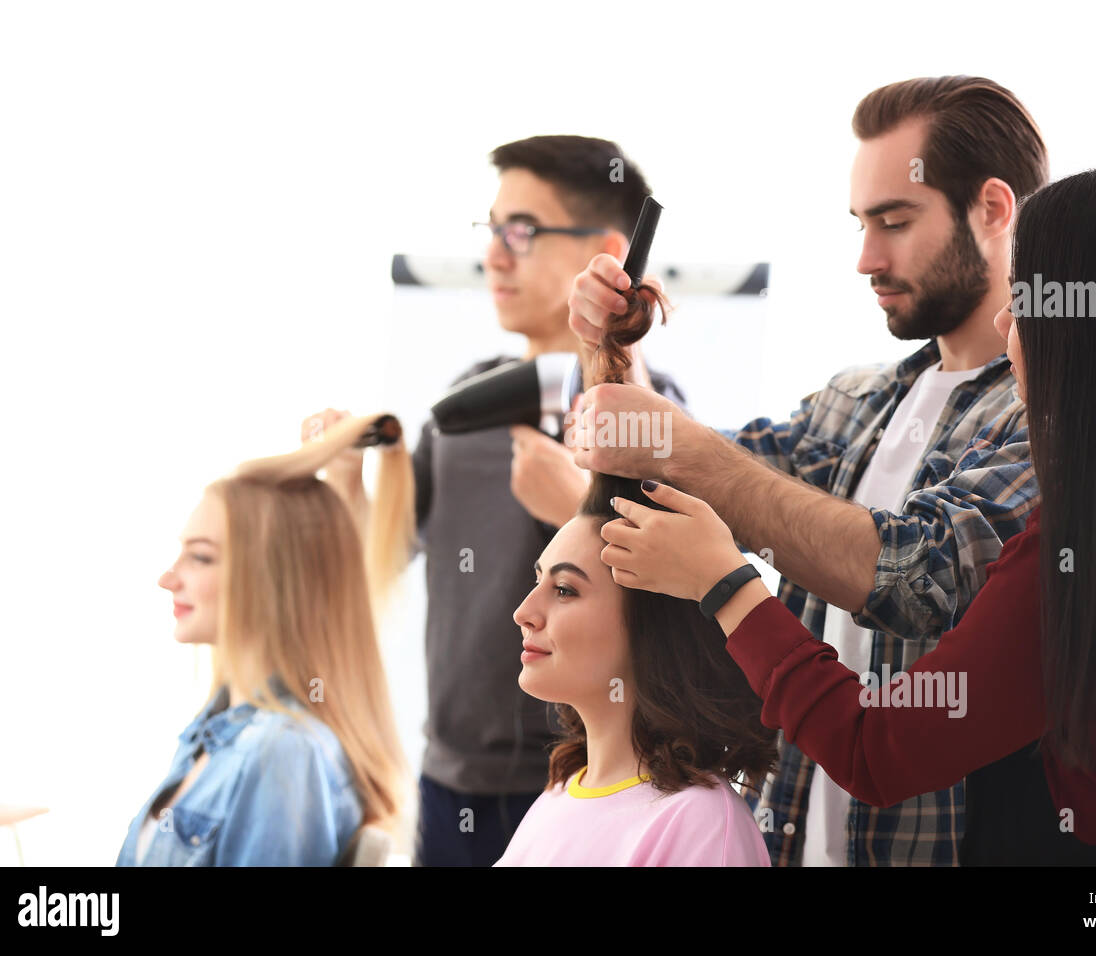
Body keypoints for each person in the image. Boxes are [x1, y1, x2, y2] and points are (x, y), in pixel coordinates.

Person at [597, 165, 1096, 864]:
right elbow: (666, 455)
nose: (1012, 319)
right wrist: (622, 354)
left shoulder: (1080, 548)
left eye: (895, 220)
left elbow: (875, 749)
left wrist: (727, 586)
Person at [569, 76, 1047, 865]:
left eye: (894, 222)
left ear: (993, 209)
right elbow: (667, 484)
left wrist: (681, 447)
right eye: (861, 224)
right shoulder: (852, 402)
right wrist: (614, 349)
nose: (866, 258)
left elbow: (915, 572)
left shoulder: (1046, 418)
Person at [305, 135, 687, 866]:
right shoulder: (463, 404)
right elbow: (374, 563)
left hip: (580, 782)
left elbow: (682, 587)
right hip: (448, 779)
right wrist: (348, 486)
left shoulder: (649, 412)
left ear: (607, 253)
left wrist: (575, 501)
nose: (495, 257)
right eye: (492, 231)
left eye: (523, 231)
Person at [116, 413, 411, 866]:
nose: (167, 578)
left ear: (271, 580)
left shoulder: (284, 752)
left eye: (200, 557)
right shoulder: (219, 727)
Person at [495, 472, 775, 866]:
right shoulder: (562, 792)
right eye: (538, 579)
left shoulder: (701, 824)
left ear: (651, 629)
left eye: (564, 590)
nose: (523, 613)